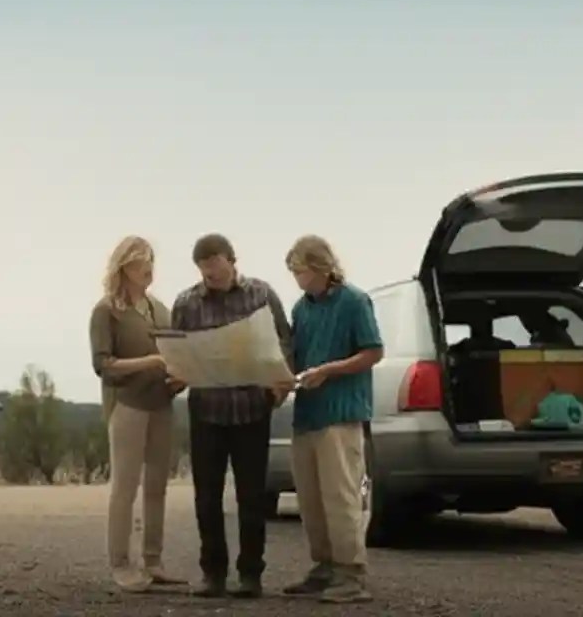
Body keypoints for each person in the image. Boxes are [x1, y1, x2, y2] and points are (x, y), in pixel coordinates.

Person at [170, 233, 294, 599]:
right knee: (206, 496)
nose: (212, 276)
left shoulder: (260, 294)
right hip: (207, 408)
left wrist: (280, 381)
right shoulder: (187, 303)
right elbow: (175, 348)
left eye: (217, 268)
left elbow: (285, 339)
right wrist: (177, 370)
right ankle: (213, 572)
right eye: (205, 271)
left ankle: (251, 573)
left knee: (252, 495)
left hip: (251, 407)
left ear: (232, 260)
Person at [281, 234, 384, 604]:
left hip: (341, 412)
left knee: (340, 495)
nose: (297, 279)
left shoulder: (355, 301)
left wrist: (330, 370)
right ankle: (323, 566)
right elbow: (296, 354)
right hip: (307, 413)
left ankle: (350, 573)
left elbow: (373, 351)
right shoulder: (300, 308)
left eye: (301, 270)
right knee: (309, 498)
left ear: (320, 266)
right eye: (294, 272)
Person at [88, 236, 187, 593]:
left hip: (162, 405)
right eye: (141, 262)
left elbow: (177, 355)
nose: (148, 269)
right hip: (127, 405)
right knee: (125, 488)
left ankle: (153, 561)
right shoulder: (106, 311)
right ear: (123, 266)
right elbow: (104, 365)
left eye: (151, 262)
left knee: (157, 487)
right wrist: (151, 361)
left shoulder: (160, 309)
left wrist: (180, 378)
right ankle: (121, 564)